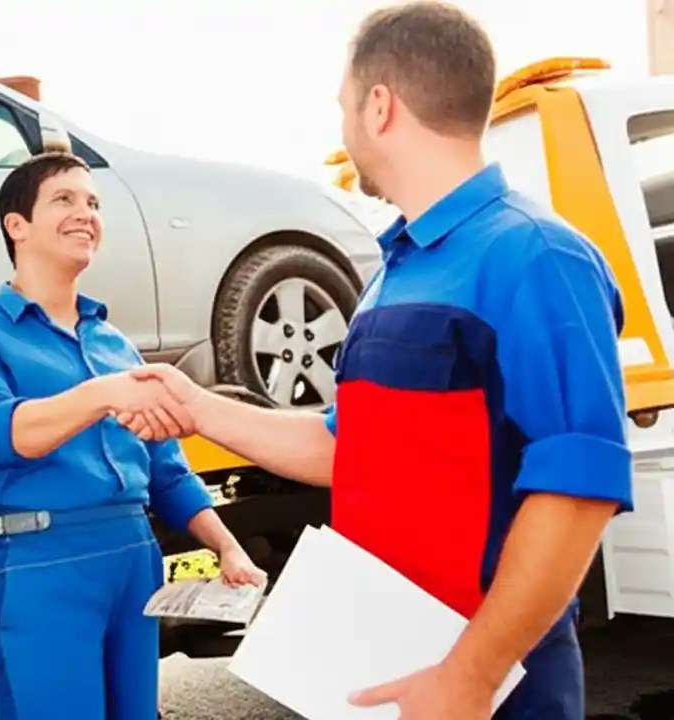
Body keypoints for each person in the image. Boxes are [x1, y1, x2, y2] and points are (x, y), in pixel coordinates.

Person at [120, 2, 632, 718]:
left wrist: (473, 674)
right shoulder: (392, 275)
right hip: (387, 660)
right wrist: (197, 407)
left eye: (344, 108)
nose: (344, 129)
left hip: (493, 685)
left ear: (380, 105)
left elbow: (579, 489)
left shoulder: (535, 256)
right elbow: (346, 447)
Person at [0, 151, 267, 720]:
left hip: (134, 556)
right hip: (42, 564)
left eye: (93, 203)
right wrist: (106, 393)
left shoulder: (113, 342)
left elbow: (166, 469)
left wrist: (227, 547)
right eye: (64, 199)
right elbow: (5, 433)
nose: (85, 213)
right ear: (17, 226)